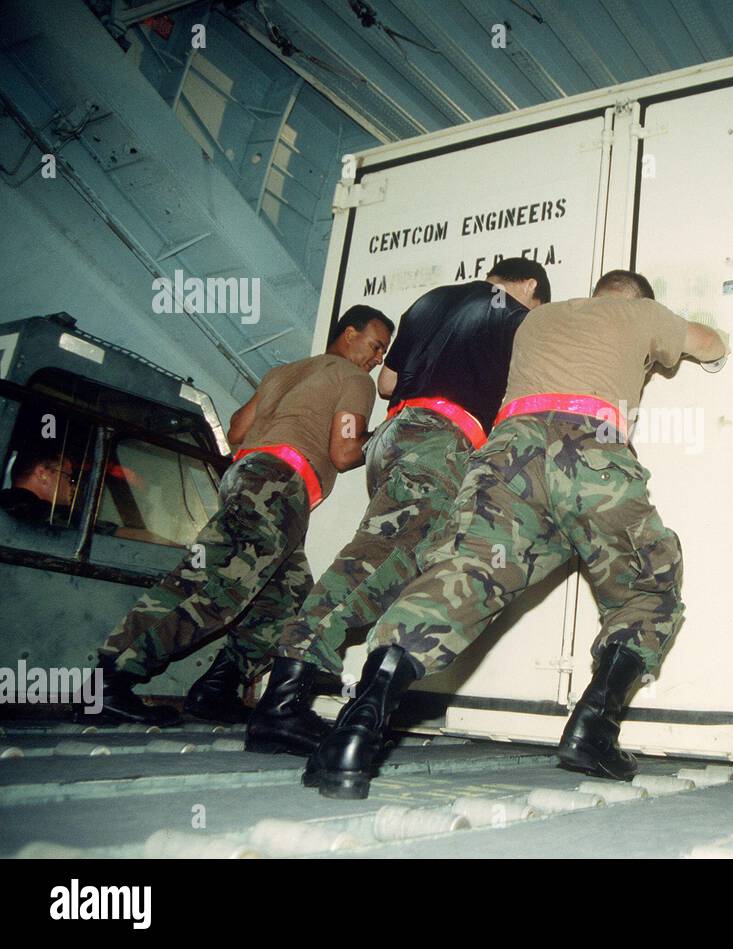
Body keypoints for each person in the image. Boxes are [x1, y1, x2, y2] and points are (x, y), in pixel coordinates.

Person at [305, 269, 728, 798]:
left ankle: (357, 731)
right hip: (590, 449)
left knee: (466, 575)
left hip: (508, 454)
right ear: (635, 298)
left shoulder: (536, 320)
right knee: (648, 583)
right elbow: (706, 342)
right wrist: (718, 348)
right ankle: (593, 728)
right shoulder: (639, 311)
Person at [246, 258, 550, 756]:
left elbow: (387, 385)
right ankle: (282, 702)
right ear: (531, 288)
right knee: (377, 561)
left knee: (396, 564)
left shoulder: (429, 302)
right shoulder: (516, 316)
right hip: (441, 441)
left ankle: (329, 698)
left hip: (393, 436)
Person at [91, 305, 394, 727]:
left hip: (245, 477)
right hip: (278, 486)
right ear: (349, 334)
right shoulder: (353, 379)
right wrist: (388, 435)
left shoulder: (283, 372)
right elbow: (344, 452)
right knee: (218, 589)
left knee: (287, 599)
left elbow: (236, 431)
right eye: (376, 346)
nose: (378, 357)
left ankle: (217, 688)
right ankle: (110, 679)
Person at [0, 446, 77, 523]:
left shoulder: (5, 507)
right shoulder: (51, 520)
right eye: (68, 477)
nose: (74, 487)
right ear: (42, 475)